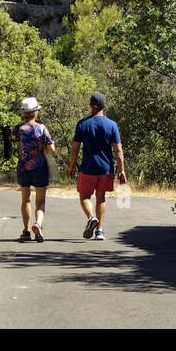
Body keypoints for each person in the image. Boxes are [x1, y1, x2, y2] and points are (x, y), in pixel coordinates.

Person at [68, 92, 126, 242]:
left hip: (88, 168)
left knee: (84, 196)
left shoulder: (83, 124)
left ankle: (91, 217)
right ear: (104, 106)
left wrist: (72, 165)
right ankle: (99, 231)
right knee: (101, 198)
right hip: (105, 169)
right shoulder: (112, 125)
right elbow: (118, 151)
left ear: (90, 105)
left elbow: (75, 147)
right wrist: (121, 171)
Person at [13, 96, 55, 242]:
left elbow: (13, 140)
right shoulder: (41, 128)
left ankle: (25, 230)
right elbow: (51, 149)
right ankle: (38, 225)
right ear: (36, 112)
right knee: (40, 201)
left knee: (25, 200)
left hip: (23, 167)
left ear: (24, 113)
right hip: (39, 167)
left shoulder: (18, 128)